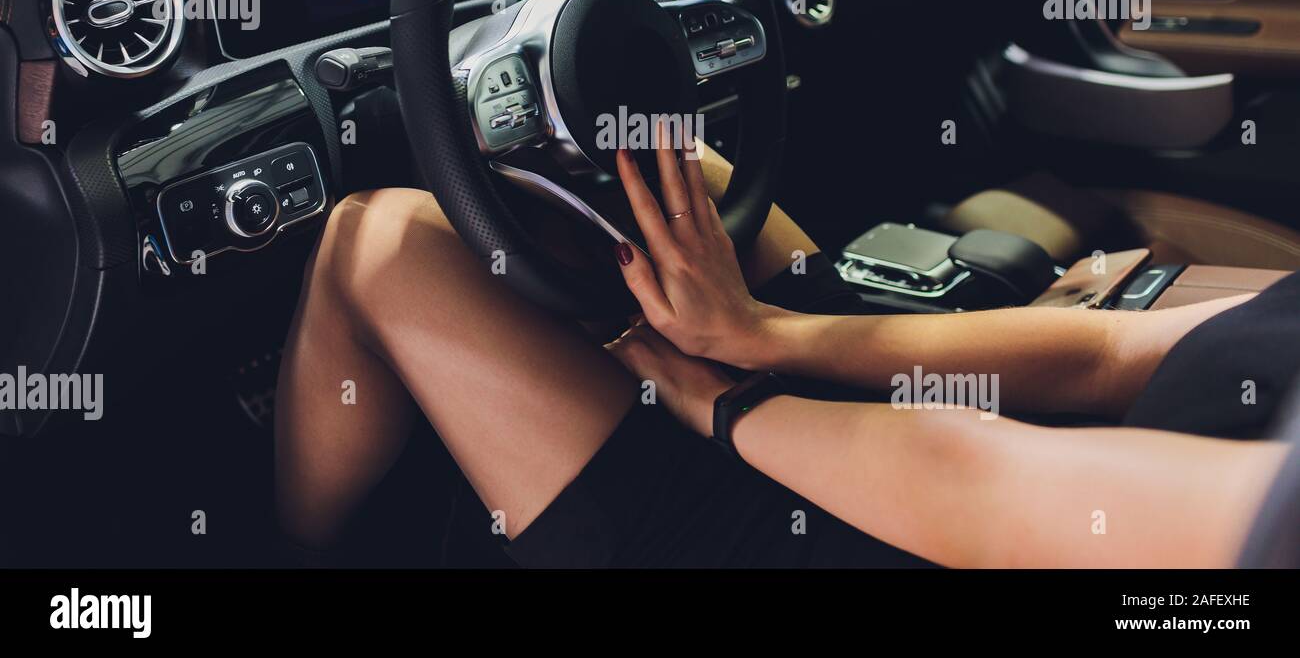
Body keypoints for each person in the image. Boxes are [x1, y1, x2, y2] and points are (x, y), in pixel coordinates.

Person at [275, 134, 1294, 567]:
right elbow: (1108, 355)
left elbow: (982, 494)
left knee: (376, 241)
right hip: (979, 460)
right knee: (693, 174)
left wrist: (712, 396)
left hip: (906, 531)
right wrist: (764, 335)